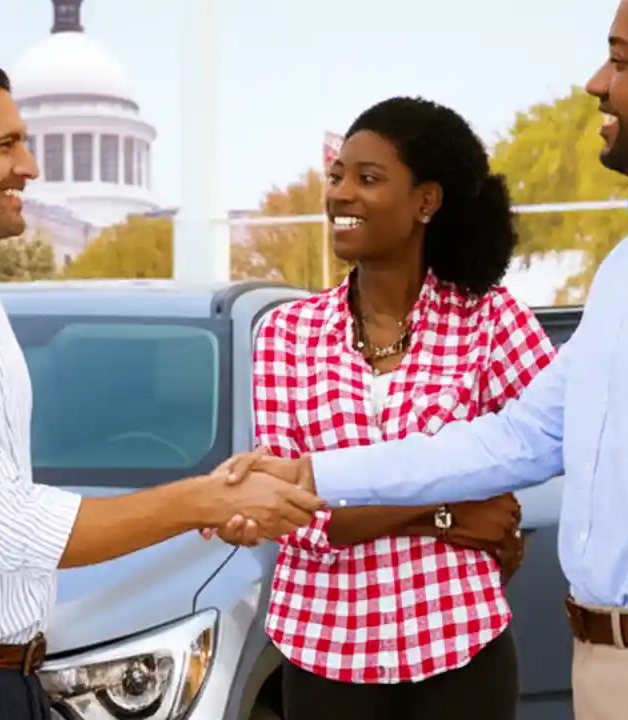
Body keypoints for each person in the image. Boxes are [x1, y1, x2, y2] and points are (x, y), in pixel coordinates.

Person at [223, 0, 628, 718]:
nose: (595, 83)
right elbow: (524, 435)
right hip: (618, 673)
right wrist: (312, 474)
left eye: (621, 59)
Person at [0, 48, 323, 720]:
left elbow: (12, 510)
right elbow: (16, 529)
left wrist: (208, 495)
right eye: (6, 145)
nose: (31, 165)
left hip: (2, 678)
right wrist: (203, 500)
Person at [211, 97, 552, 719]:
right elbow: (300, 515)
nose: (341, 194)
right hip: (326, 655)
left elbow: (559, 439)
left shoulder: (490, 321)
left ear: (425, 201)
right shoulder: (286, 334)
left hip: (461, 649)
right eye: (338, 175)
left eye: (368, 179)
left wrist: (476, 508)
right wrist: (449, 513)